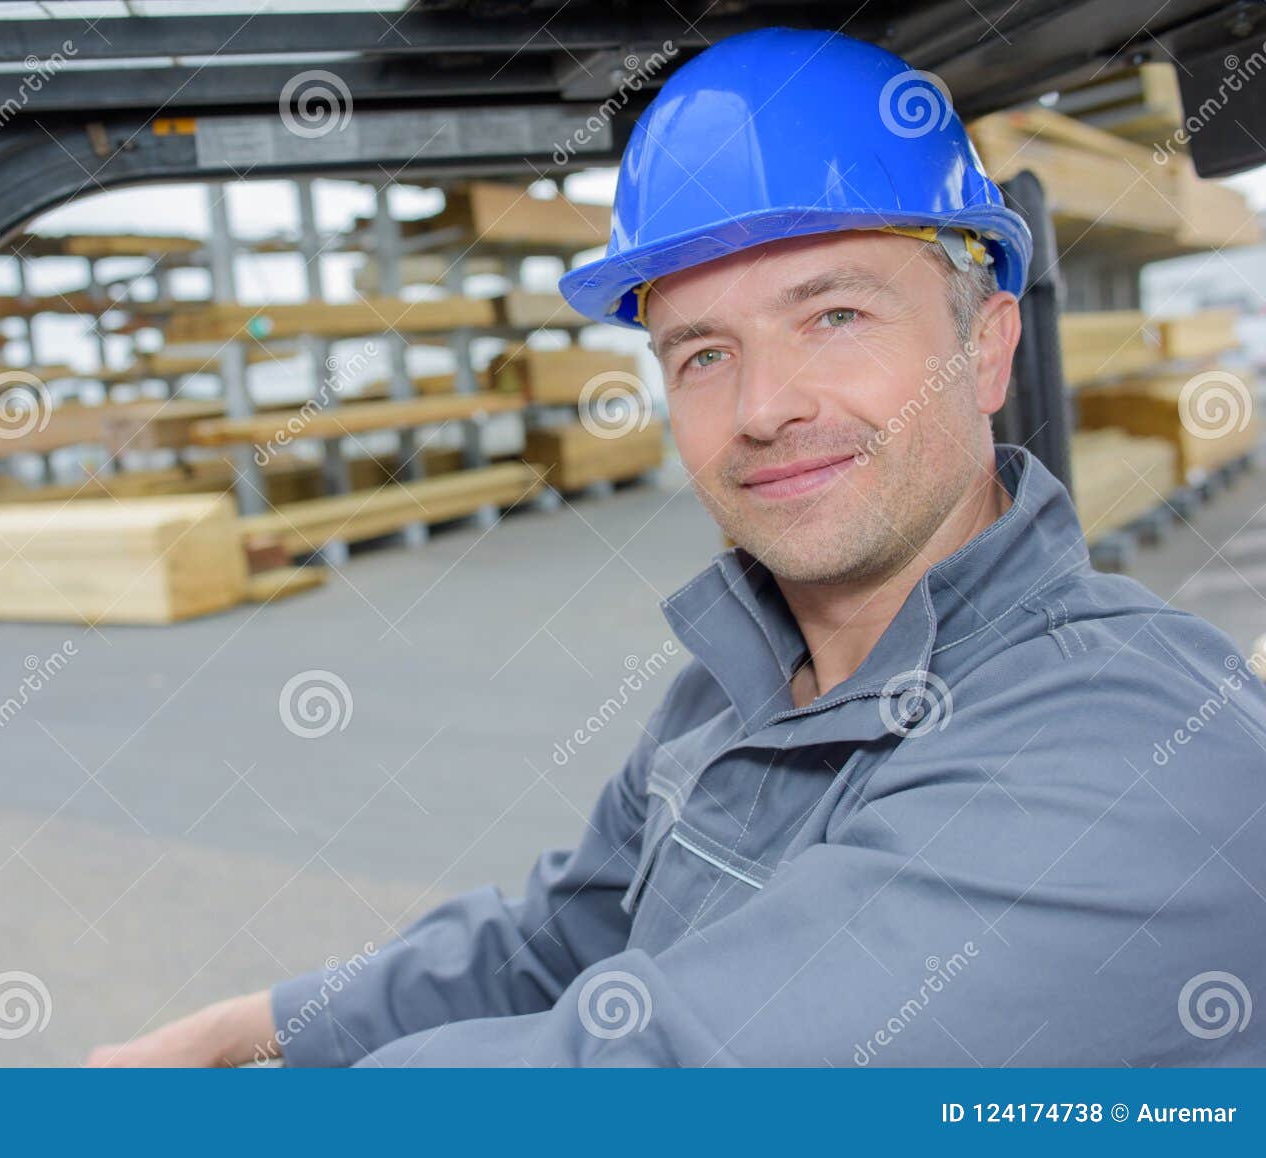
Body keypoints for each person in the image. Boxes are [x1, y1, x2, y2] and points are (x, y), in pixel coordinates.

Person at [88, 27, 1266, 1067]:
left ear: (990, 344)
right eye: (702, 353)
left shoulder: (1136, 747)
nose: (762, 407)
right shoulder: (737, 691)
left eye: (834, 315)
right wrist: (256, 1030)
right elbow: (559, 945)